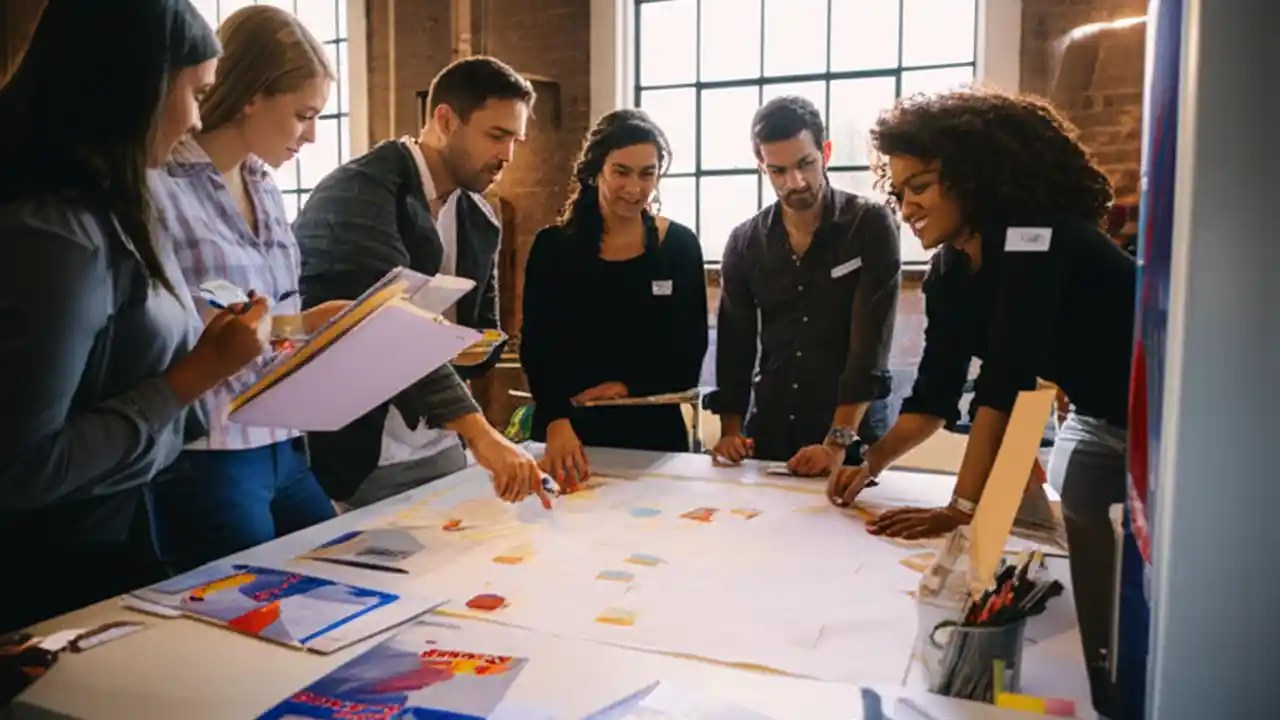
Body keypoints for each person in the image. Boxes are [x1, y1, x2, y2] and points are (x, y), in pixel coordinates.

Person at [827, 88, 1135, 717]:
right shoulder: (948, 273)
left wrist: (964, 506)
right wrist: (869, 463)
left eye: (923, 186)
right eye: (900, 189)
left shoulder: (1034, 237)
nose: (907, 205)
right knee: (1078, 582)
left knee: (1138, 583)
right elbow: (935, 397)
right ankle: (1102, 692)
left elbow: (1009, 380)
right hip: (1099, 422)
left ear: (972, 174)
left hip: (1171, 424)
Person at [0, 0, 267, 631]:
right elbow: (20, 469)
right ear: (136, 87)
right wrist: (196, 374)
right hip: (55, 568)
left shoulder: (120, 206)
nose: (199, 117)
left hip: (122, 531)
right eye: (196, 92)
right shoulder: (60, 237)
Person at [294, 55, 548, 509]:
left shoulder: (479, 217)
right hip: (363, 453)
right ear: (445, 119)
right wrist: (483, 434)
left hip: (440, 444)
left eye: (516, 140)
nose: (507, 156)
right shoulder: (358, 191)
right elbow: (383, 330)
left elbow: (480, 327)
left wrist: (478, 344)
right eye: (496, 135)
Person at [146, 5, 349, 572]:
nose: (311, 135)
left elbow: (262, 318)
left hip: (285, 443)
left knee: (340, 576)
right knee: (250, 617)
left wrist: (311, 325)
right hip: (212, 449)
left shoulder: (263, 183)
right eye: (303, 115)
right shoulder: (157, 186)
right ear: (250, 96)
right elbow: (167, 331)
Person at [709, 96, 901, 476]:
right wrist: (731, 431)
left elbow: (870, 347)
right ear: (761, 166)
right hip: (771, 430)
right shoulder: (745, 241)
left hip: (850, 434)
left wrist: (836, 442)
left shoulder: (869, 225)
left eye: (805, 164)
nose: (795, 182)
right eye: (778, 171)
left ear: (825, 152)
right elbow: (736, 344)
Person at [521, 110, 708, 483]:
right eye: (621, 171)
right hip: (568, 435)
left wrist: (629, 387)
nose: (635, 188)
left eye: (647, 173)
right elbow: (537, 347)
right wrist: (556, 418)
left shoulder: (679, 247)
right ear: (596, 172)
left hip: (654, 440)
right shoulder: (552, 248)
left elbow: (691, 349)